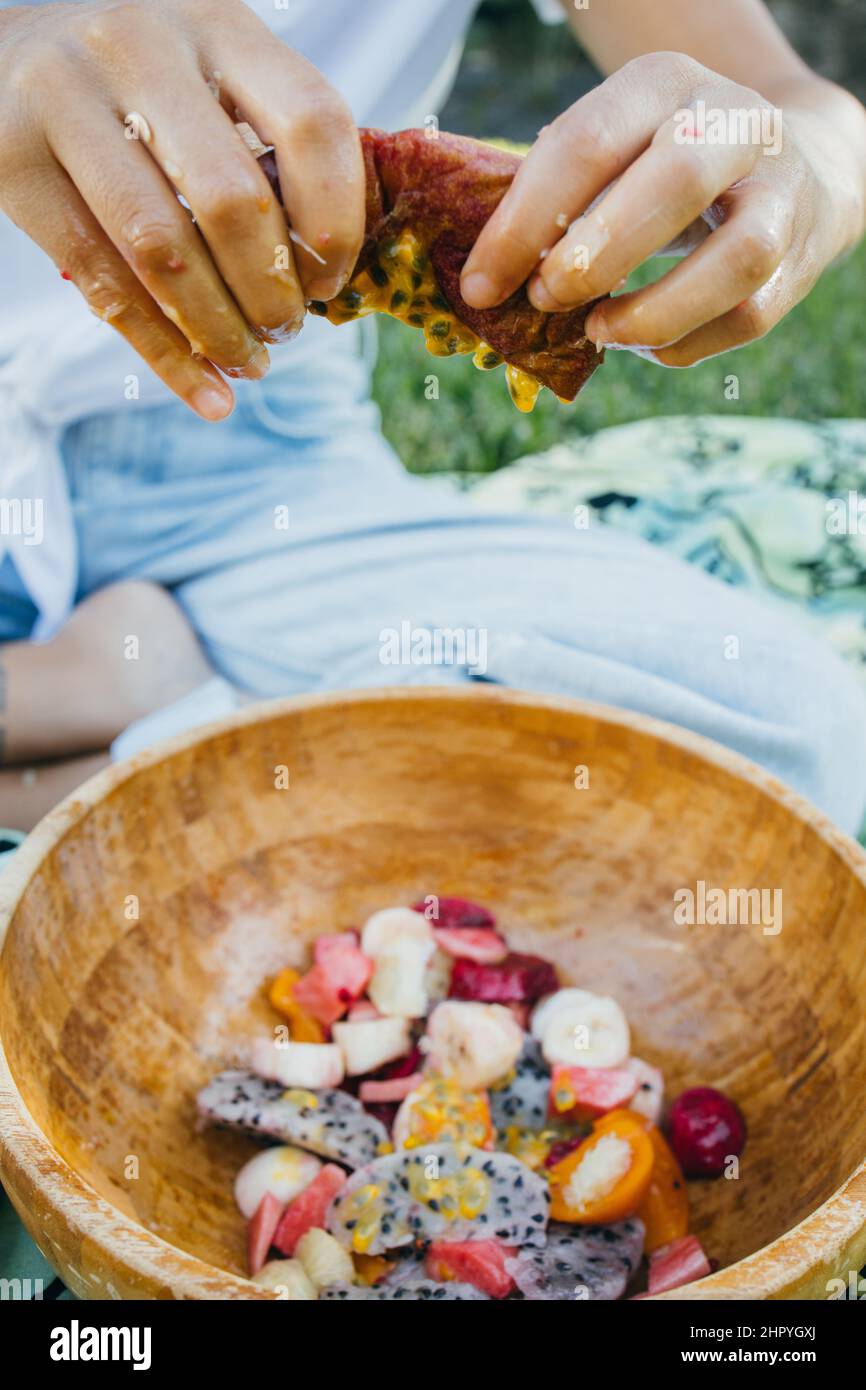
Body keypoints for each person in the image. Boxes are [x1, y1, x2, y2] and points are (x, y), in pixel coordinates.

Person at [1, 0, 865, 835]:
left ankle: (107, 723)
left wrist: (804, 162)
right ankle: (122, 715)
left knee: (784, 738)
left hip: (253, 481)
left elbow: (804, 106)